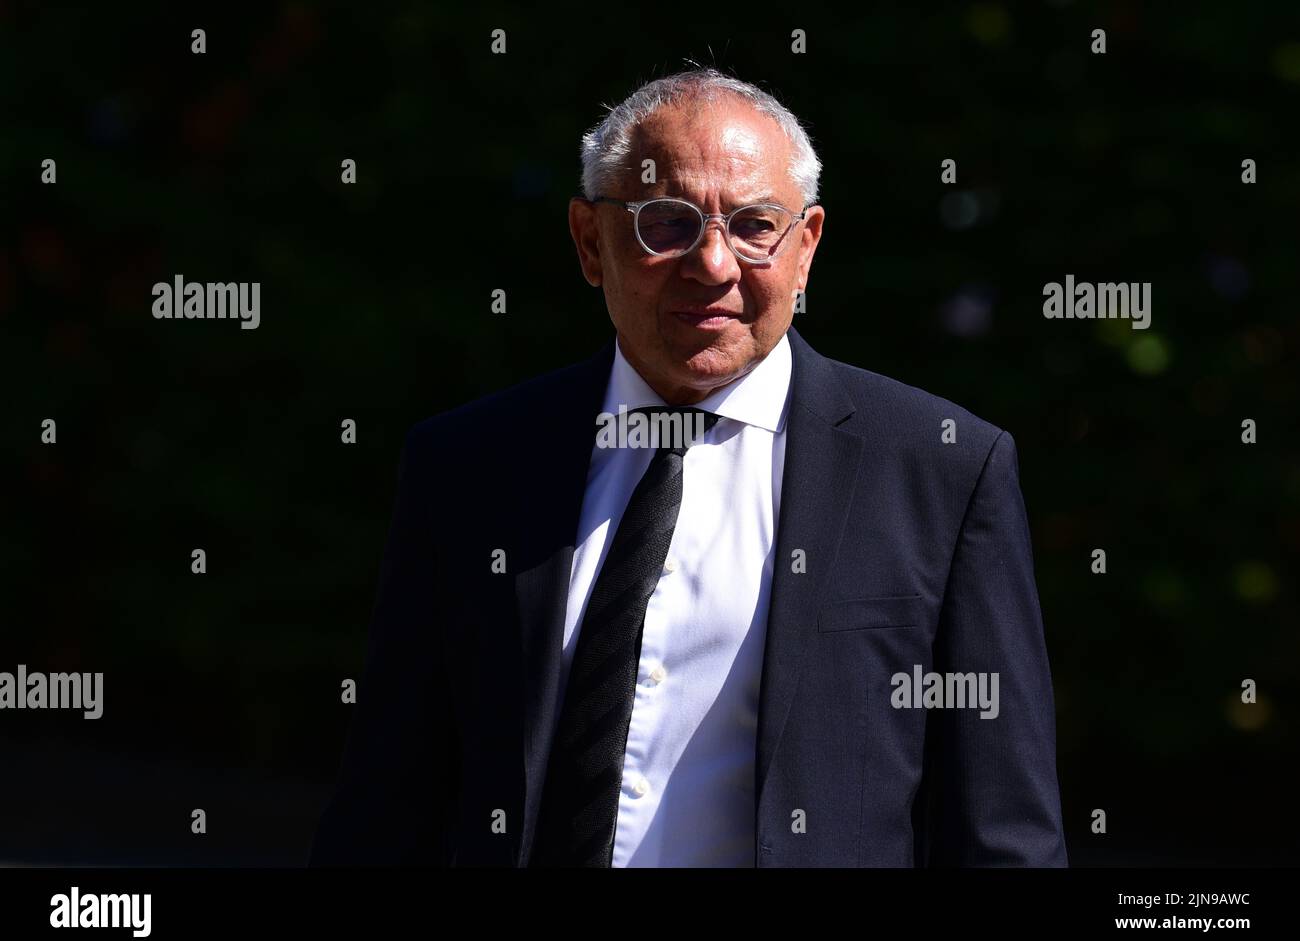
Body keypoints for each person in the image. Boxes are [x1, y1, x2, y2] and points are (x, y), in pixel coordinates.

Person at [310, 67, 1067, 867]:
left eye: (754, 225)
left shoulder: (941, 471)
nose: (713, 263)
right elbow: (385, 802)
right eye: (665, 223)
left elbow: (1002, 835)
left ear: (805, 247)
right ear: (589, 241)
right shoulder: (468, 465)